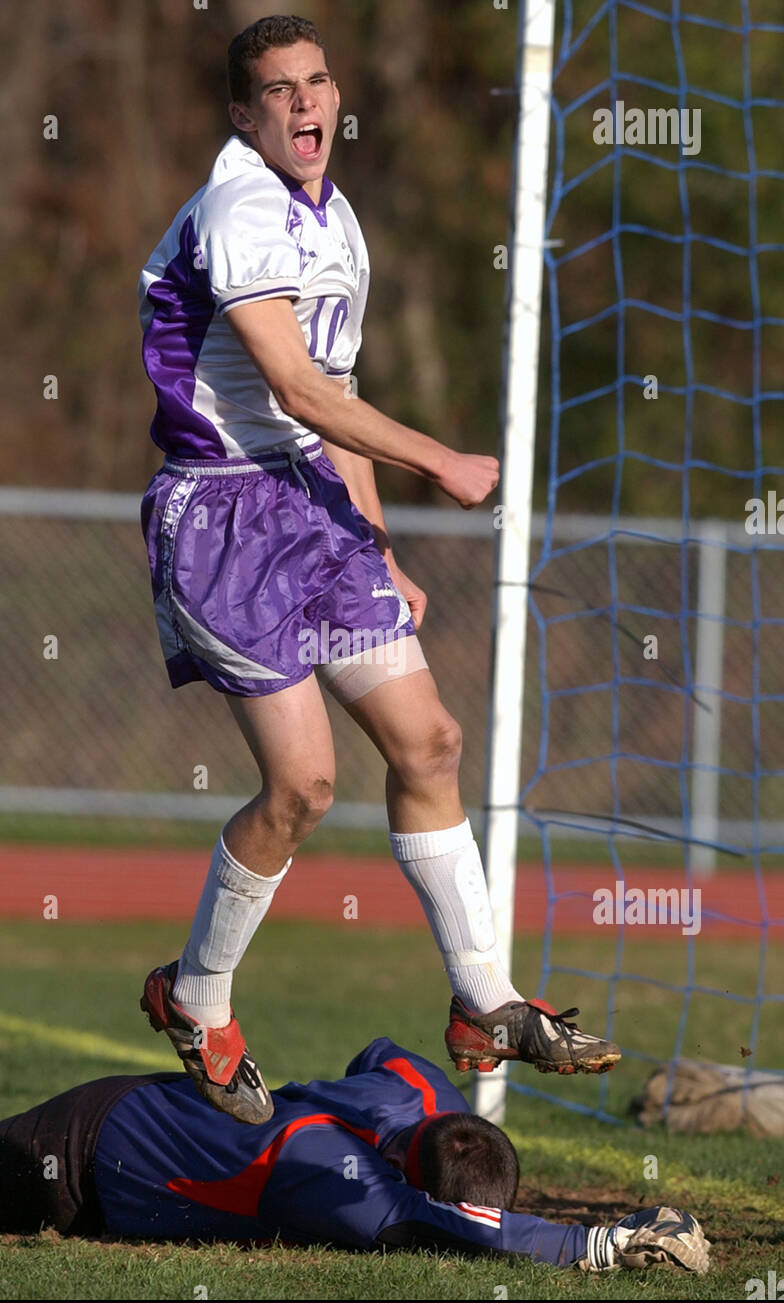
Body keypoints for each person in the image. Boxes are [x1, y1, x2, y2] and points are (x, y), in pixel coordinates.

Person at [138, 13, 620, 1124]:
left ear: (336, 92)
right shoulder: (240, 206)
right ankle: (195, 992)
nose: (304, 105)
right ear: (242, 115)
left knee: (431, 741)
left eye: (316, 82)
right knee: (304, 785)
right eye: (277, 91)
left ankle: (483, 996)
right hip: (219, 517)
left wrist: (378, 546)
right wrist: (442, 461)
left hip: (311, 506)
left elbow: (334, 416)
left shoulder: (336, 221)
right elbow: (299, 392)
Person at [0, 1037, 708, 1275]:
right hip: (77, 1153)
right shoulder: (329, 1174)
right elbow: (437, 1223)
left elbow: (379, 1052)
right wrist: (597, 1245)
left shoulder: (425, 1089)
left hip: (145, 1103)